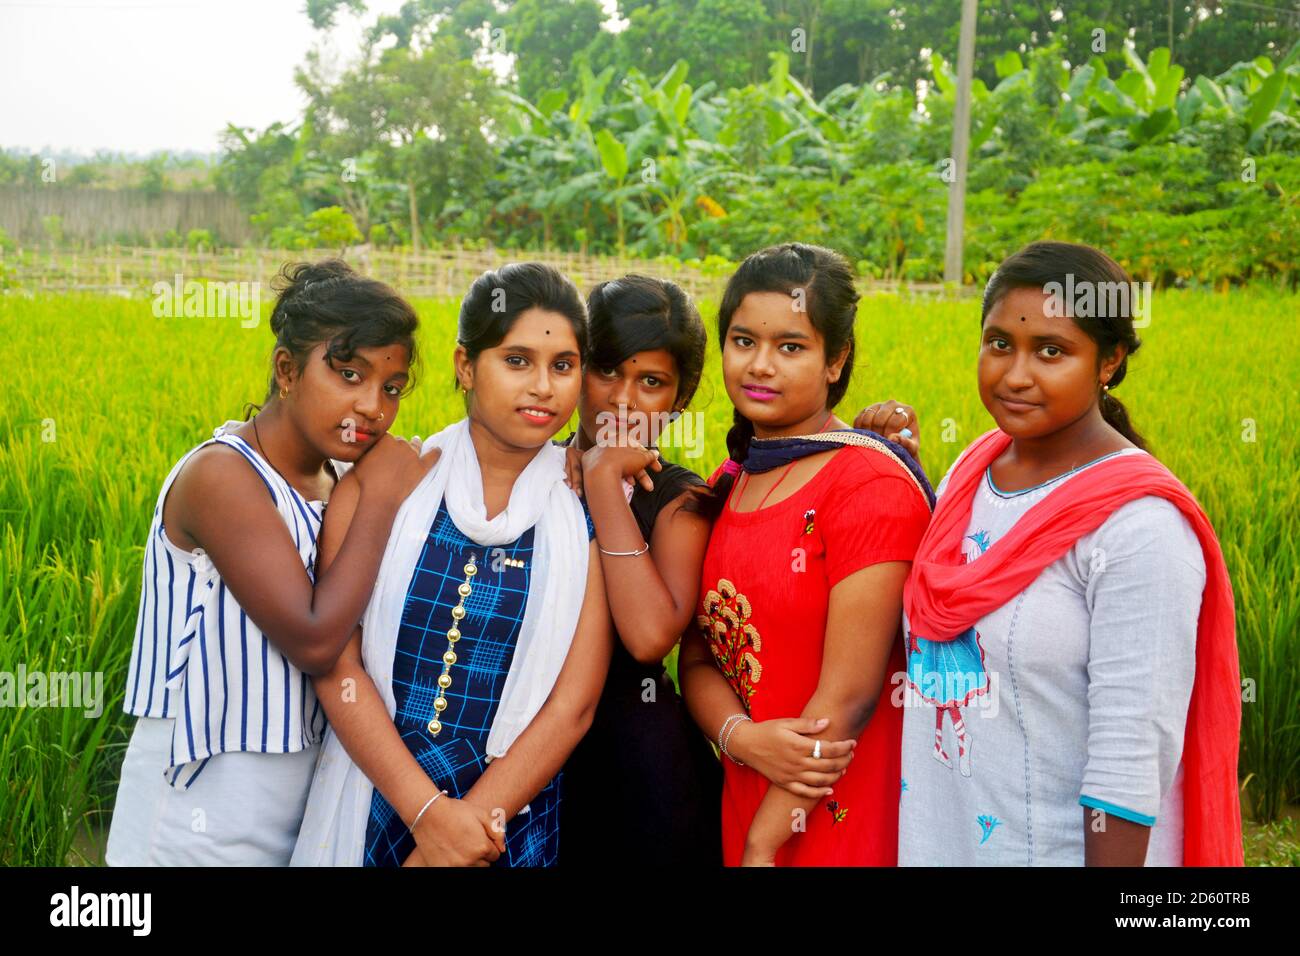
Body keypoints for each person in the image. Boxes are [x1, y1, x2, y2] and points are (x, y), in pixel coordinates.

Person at [897, 240, 1242, 866]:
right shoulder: (968, 476)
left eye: (1051, 351)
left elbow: (1129, 761)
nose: (1015, 374)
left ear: (1108, 360)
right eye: (1000, 343)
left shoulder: (1140, 528)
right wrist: (887, 470)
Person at [106, 259, 436, 865]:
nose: (372, 407)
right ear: (287, 369)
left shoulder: (339, 480)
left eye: (390, 388)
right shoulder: (223, 475)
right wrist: (384, 496)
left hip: (303, 794)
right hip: (196, 801)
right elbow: (313, 640)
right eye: (348, 374)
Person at [290, 262, 613, 867]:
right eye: (516, 361)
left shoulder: (588, 512)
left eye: (562, 366)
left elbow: (573, 705)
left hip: (504, 822)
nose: (543, 386)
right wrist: (427, 815)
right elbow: (339, 666)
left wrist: (467, 831)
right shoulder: (387, 485)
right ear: (466, 365)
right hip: (378, 791)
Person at [679, 242, 934, 866]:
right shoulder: (731, 480)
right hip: (748, 787)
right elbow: (697, 655)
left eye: (790, 347)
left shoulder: (869, 485)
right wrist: (742, 739)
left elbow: (848, 700)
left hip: (837, 809)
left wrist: (765, 842)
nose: (760, 365)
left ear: (835, 359)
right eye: (743, 342)